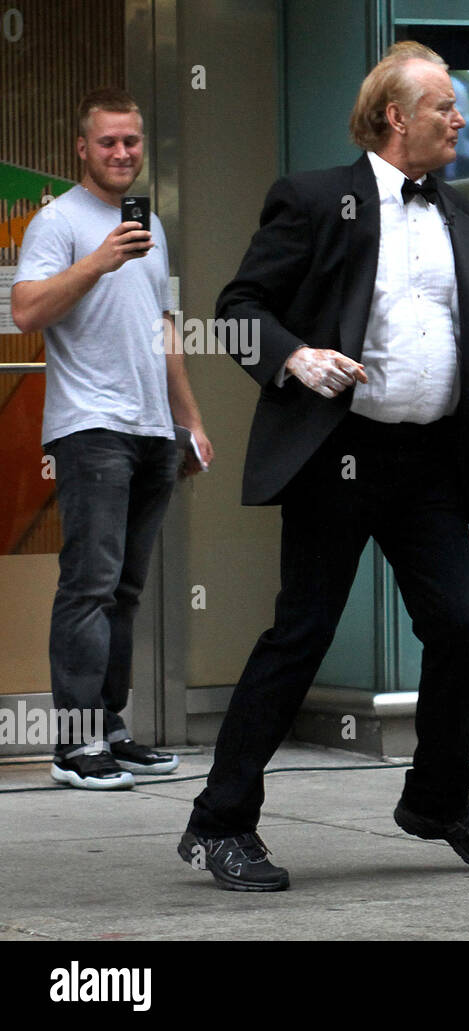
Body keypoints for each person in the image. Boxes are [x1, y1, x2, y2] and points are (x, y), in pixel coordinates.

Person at [178, 41, 469, 891]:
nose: (460, 118)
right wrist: (297, 360)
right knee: (302, 634)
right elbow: (236, 310)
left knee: (457, 631)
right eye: (445, 105)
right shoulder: (311, 198)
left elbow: (457, 323)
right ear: (395, 116)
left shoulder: (464, 213)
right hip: (339, 453)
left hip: (432, 459)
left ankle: (438, 799)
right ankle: (220, 822)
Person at [11, 87, 212, 791]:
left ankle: (111, 726)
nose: (122, 153)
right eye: (107, 142)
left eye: (131, 141)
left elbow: (165, 330)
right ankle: (73, 742)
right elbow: (26, 309)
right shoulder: (58, 221)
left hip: (150, 428)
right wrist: (98, 259)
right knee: (89, 586)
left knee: (125, 589)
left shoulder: (149, 223)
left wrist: (187, 421)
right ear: (82, 148)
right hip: (90, 428)